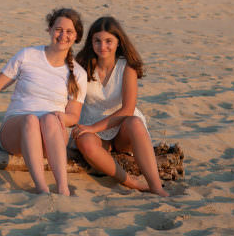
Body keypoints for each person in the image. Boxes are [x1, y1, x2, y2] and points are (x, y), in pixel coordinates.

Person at [0, 8, 87, 196]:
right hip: (16, 130)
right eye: (58, 29)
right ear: (49, 30)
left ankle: (62, 188)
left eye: (69, 32)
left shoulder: (79, 74)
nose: (62, 35)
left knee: (49, 119)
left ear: (76, 37)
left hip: (52, 135)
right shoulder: (28, 55)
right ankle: (42, 189)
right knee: (31, 119)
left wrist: (60, 117)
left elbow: (73, 116)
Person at [71, 16, 169, 196]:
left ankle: (156, 187)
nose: (103, 46)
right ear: (90, 42)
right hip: (94, 128)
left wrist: (93, 128)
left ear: (118, 42)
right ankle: (131, 182)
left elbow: (127, 110)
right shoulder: (82, 66)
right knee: (85, 142)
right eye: (97, 41)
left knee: (135, 122)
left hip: (123, 127)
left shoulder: (127, 67)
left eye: (109, 41)